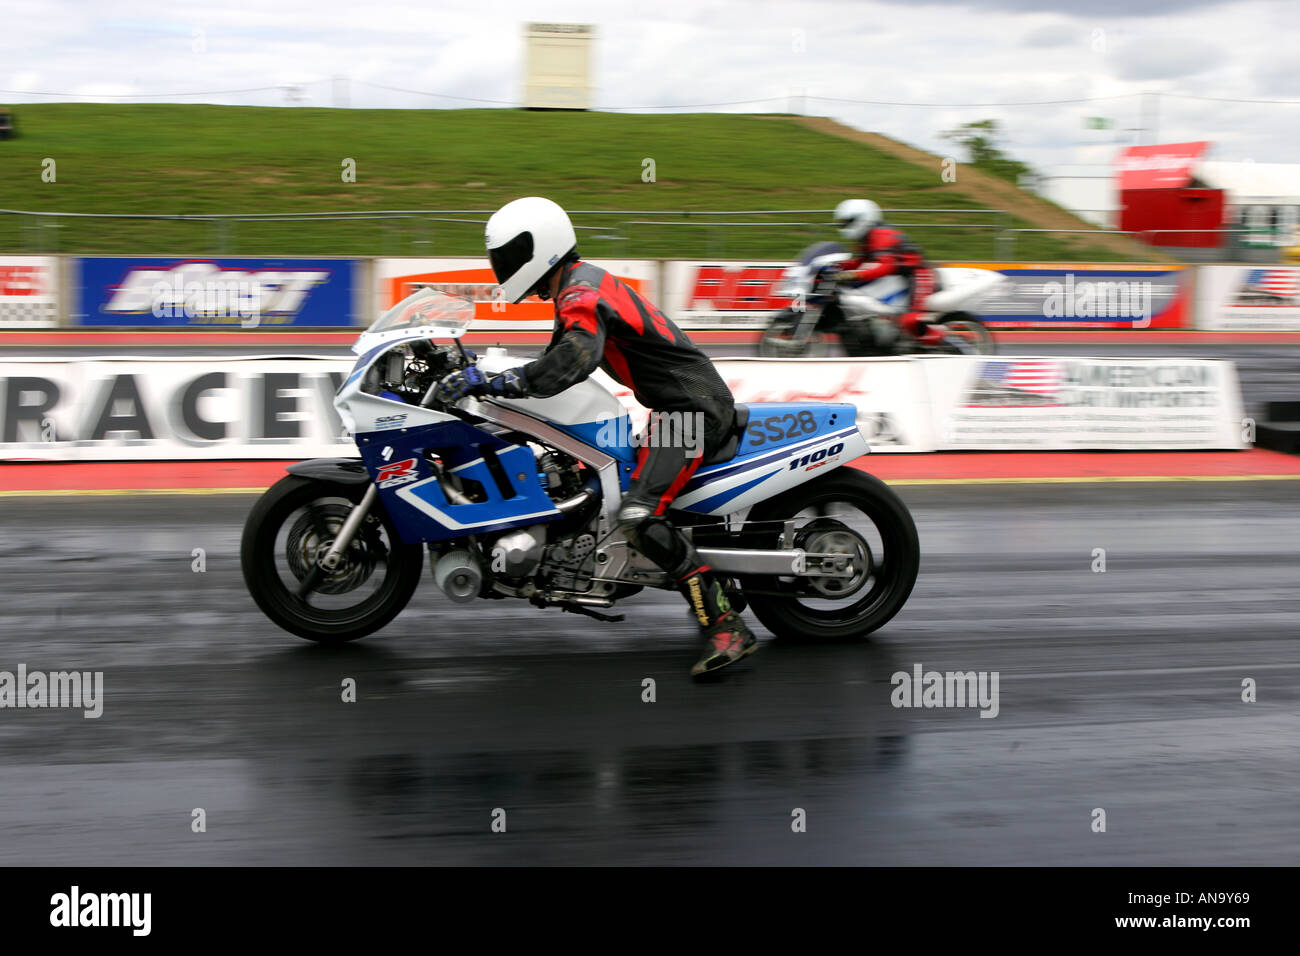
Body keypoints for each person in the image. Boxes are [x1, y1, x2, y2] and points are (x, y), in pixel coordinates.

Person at [434, 196, 757, 677]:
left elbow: (572, 361)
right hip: (674, 407)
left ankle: (725, 624)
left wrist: (494, 381)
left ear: (536, 249)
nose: (503, 267)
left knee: (637, 515)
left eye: (507, 256)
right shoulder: (577, 287)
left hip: (692, 410)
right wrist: (484, 372)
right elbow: (555, 361)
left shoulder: (581, 294)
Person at [832, 198, 945, 348]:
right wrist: (834, 266)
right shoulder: (867, 238)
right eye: (842, 223)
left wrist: (852, 275)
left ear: (863, 219)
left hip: (918, 274)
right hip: (899, 277)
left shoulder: (881, 234)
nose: (845, 227)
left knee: (910, 320)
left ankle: (942, 340)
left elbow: (885, 266)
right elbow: (859, 261)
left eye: (848, 222)